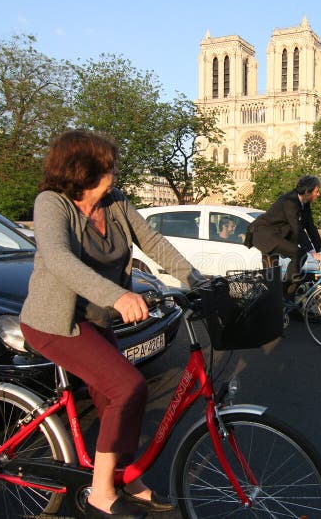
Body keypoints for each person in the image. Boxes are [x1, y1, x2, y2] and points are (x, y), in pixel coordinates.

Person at [19, 130, 203, 518]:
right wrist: (117, 296)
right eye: (109, 163)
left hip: (96, 321)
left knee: (122, 398)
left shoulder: (115, 202)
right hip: (57, 323)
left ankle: (126, 477)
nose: (115, 170)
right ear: (84, 168)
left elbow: (152, 242)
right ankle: (100, 494)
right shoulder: (52, 203)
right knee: (127, 386)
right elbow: (57, 258)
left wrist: (194, 278)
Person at [246, 175, 321, 300]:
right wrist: (314, 253)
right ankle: (282, 293)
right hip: (264, 234)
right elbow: (296, 227)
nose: (318, 194)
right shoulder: (289, 201)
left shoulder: (304, 203)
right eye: (316, 191)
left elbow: (311, 228)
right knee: (298, 254)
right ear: (307, 191)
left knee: (274, 277)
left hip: (276, 235)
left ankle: (284, 295)